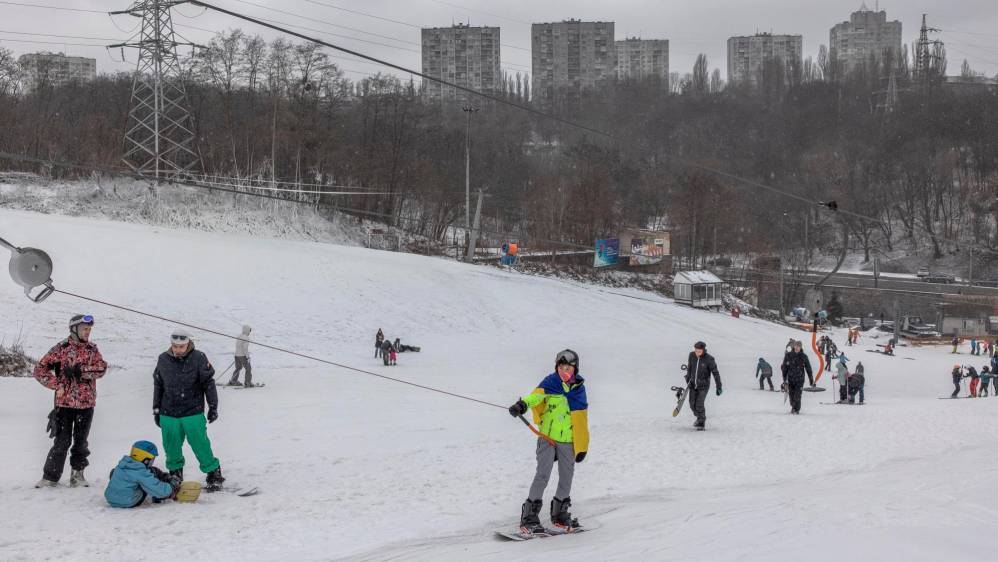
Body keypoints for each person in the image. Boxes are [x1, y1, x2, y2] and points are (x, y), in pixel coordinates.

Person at [508, 349, 589, 534]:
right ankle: (529, 516)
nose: (564, 370)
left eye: (568, 367)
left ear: (575, 369)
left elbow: (582, 419)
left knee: (566, 477)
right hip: (547, 438)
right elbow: (535, 397)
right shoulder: (551, 383)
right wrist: (522, 405)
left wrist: (583, 446)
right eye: (561, 367)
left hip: (568, 441)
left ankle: (560, 513)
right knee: (542, 475)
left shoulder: (579, 389)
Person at [33, 314, 108, 488]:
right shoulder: (61, 348)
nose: (87, 332)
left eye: (89, 329)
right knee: (62, 441)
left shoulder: (92, 349)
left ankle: (77, 475)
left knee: (81, 442)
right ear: (74, 329)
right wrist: (56, 384)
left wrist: (81, 370)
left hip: (86, 404)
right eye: (84, 329)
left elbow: (102, 368)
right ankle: (50, 477)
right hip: (64, 404)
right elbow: (39, 369)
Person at [153, 329, 225, 491]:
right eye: (175, 346)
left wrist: (213, 406)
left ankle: (213, 473)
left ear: (188, 344)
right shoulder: (163, 359)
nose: (178, 349)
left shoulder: (199, 358)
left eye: (181, 346)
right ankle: (175, 475)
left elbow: (208, 383)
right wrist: (156, 408)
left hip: (192, 411)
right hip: (168, 413)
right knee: (171, 446)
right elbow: (158, 385)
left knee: (200, 443)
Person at [104, 440, 180, 508]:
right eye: (152, 459)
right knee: (151, 476)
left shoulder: (121, 465)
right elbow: (159, 490)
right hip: (130, 502)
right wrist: (171, 487)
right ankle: (166, 482)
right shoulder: (140, 472)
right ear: (146, 459)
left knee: (116, 473)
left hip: (110, 500)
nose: (152, 462)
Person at [684, 341, 722, 430]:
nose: (697, 352)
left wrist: (718, 386)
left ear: (703, 350)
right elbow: (689, 368)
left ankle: (701, 423)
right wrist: (688, 378)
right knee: (692, 404)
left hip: (704, 386)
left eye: (699, 351)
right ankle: (699, 417)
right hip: (693, 384)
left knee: (699, 404)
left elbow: (715, 373)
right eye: (696, 350)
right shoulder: (691, 355)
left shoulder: (709, 359)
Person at [781, 340, 814, 415]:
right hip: (790, 379)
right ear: (794, 346)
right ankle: (793, 406)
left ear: (800, 347)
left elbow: (808, 368)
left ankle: (796, 410)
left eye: (798, 346)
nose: (797, 347)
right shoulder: (788, 355)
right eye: (796, 346)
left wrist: (811, 379)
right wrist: (784, 379)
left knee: (797, 395)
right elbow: (784, 368)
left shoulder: (804, 356)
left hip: (800, 379)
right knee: (791, 395)